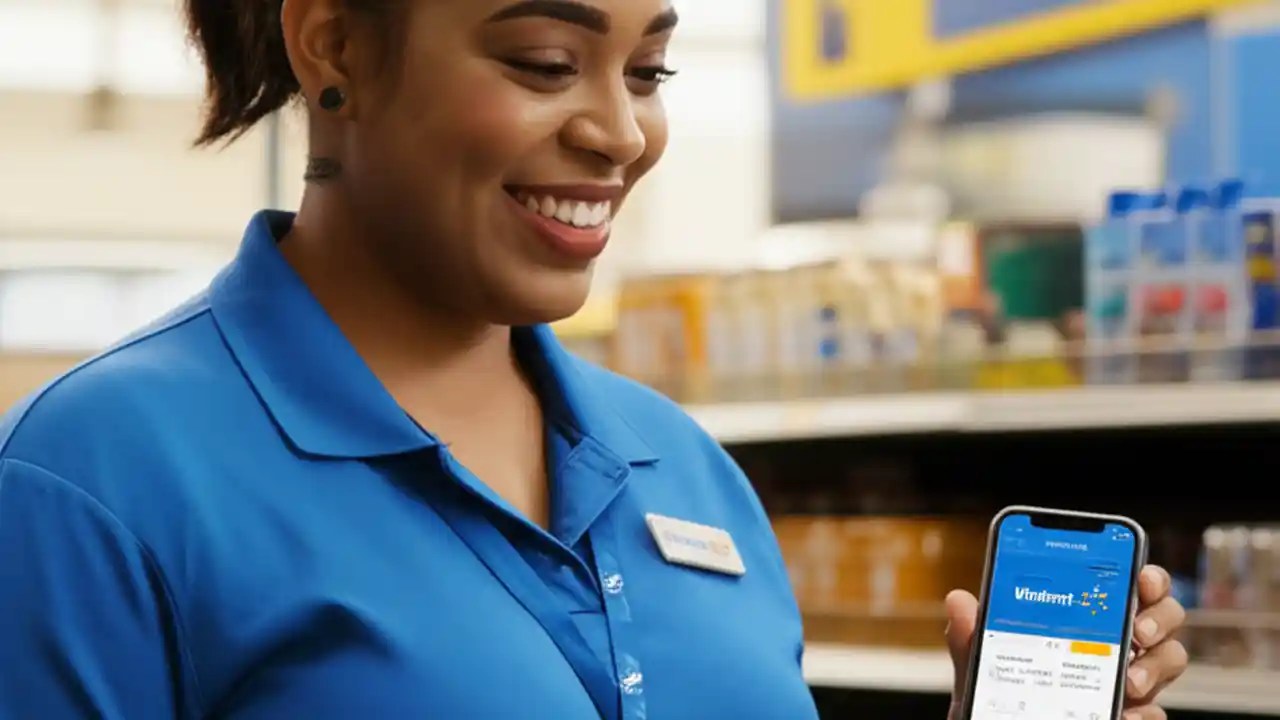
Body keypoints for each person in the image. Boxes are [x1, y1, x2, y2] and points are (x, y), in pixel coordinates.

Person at [0, 0, 1188, 717]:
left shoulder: (685, 467)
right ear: (331, 46)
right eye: (541, 61)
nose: (619, 132)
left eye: (648, 70)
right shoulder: (97, 480)